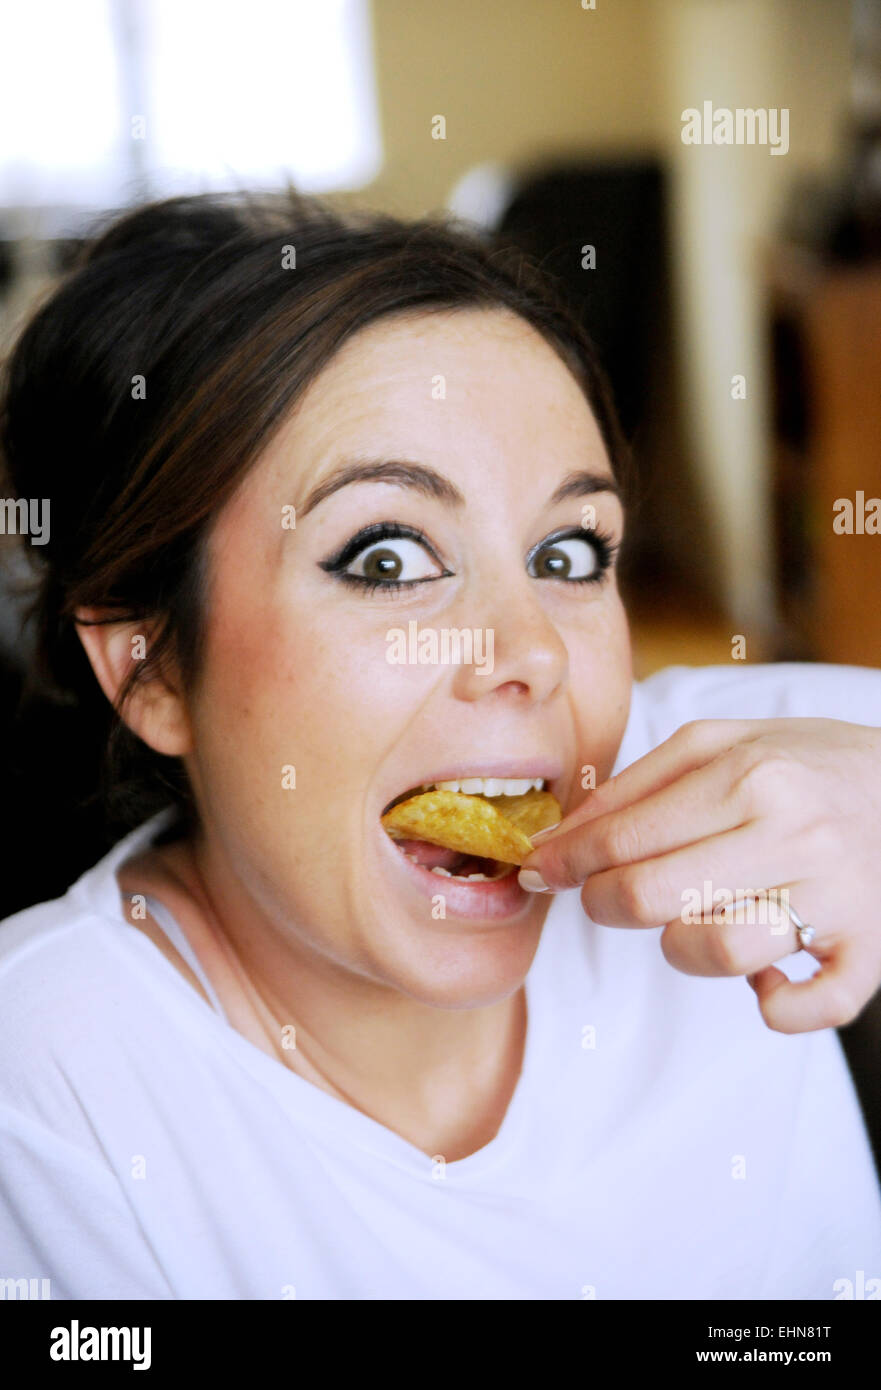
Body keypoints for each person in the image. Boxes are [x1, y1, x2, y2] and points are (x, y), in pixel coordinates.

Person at [0, 190, 879, 1301]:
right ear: (152, 665)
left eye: (566, 554)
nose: (530, 652)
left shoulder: (728, 782)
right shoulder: (46, 1089)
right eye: (384, 558)